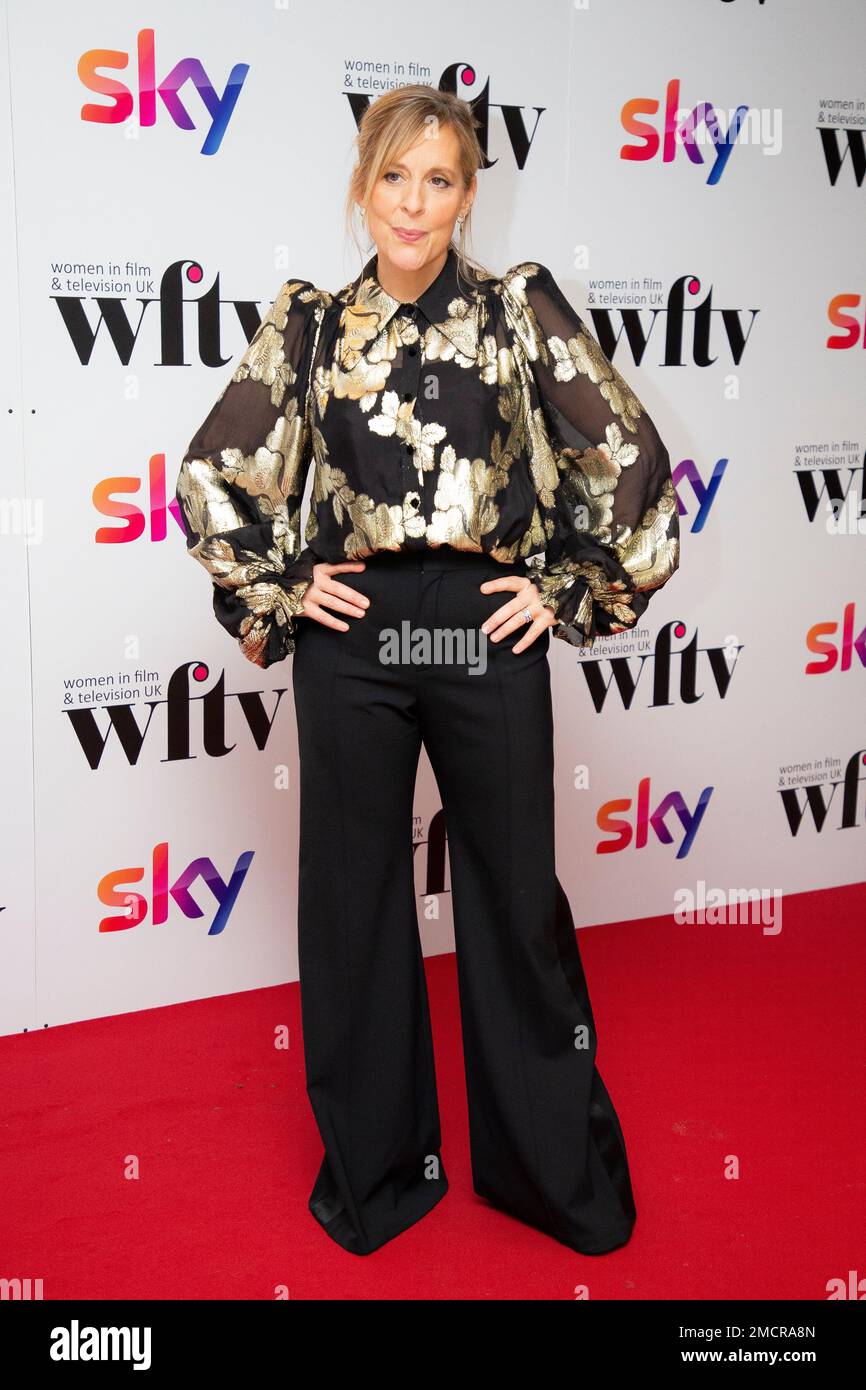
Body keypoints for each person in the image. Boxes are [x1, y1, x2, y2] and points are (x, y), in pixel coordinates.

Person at [175, 85, 680, 1258]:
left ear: (466, 192)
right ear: (365, 186)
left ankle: (544, 1174)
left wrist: (561, 587)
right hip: (354, 633)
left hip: (480, 623)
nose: (415, 202)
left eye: (440, 179)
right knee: (351, 904)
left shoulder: (513, 313)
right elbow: (214, 471)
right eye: (395, 177)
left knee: (513, 900)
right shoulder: (308, 325)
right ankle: (379, 1173)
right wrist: (282, 586)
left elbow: (626, 455)